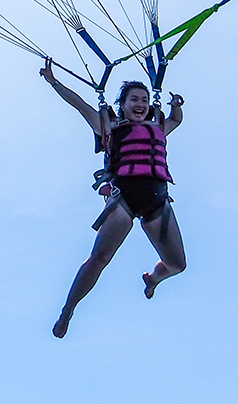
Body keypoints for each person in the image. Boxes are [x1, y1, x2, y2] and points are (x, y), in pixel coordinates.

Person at [41, 58, 187, 338]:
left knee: (177, 264)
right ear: (123, 104)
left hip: (157, 200)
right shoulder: (108, 126)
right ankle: (68, 310)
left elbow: (176, 121)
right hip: (123, 199)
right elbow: (79, 104)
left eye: (144, 100)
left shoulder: (158, 127)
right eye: (134, 100)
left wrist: (176, 107)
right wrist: (53, 81)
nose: (140, 104)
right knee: (99, 258)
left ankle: (153, 278)